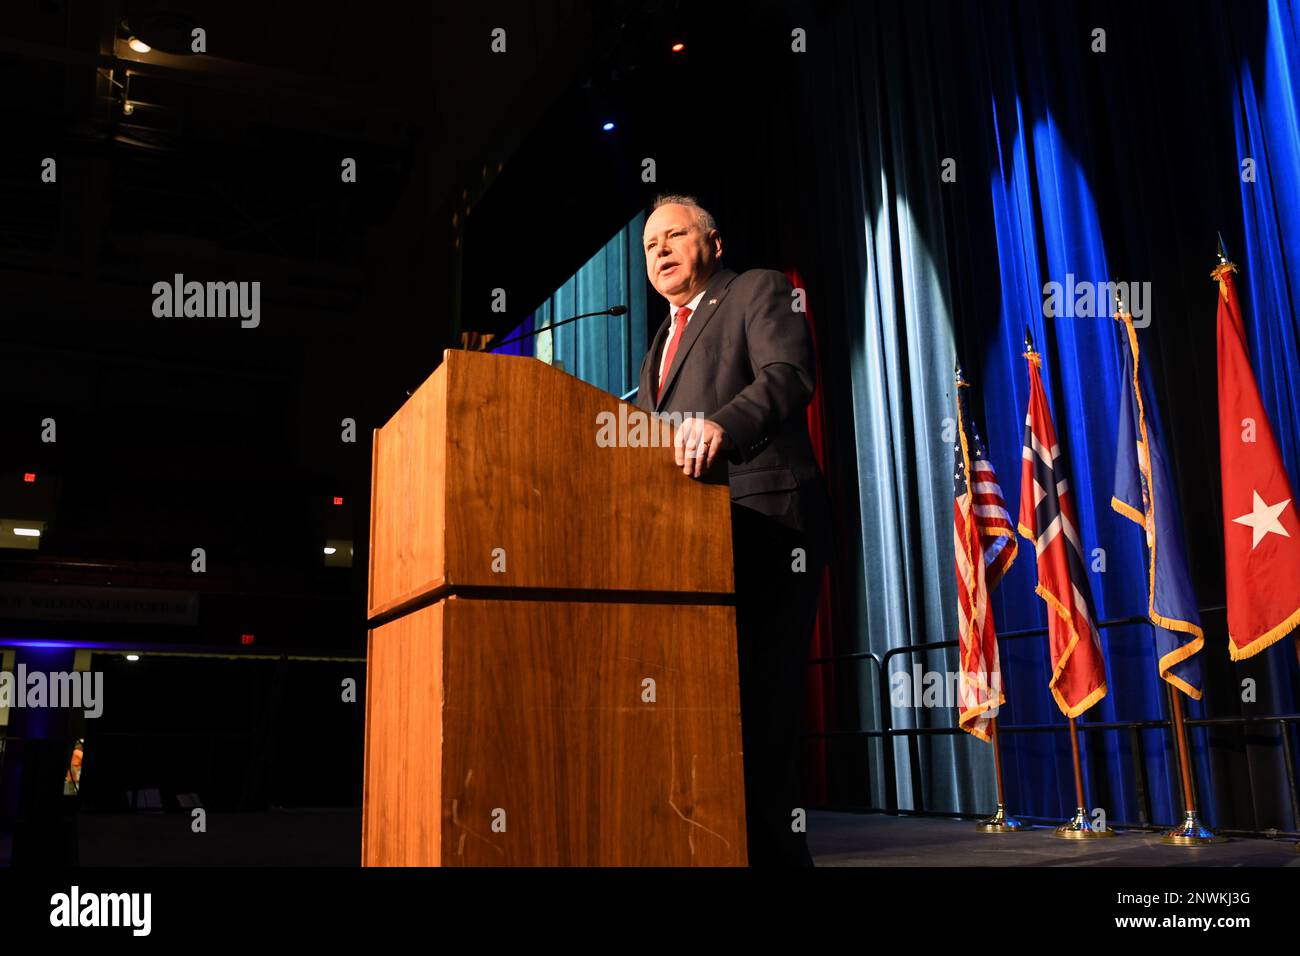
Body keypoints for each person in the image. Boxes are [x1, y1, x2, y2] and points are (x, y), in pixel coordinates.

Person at [635, 194, 831, 866]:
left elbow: (788, 375)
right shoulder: (659, 343)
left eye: (673, 235)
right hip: (693, 549)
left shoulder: (755, 290)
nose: (658, 250)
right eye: (649, 244)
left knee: (761, 715)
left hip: (768, 528)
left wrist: (726, 425)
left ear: (713, 242)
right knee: (713, 720)